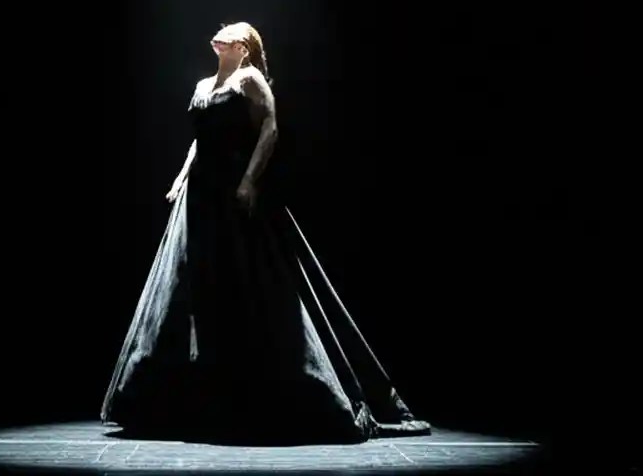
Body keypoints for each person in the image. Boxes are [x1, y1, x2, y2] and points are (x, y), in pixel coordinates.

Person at [101, 22, 430, 445]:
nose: (219, 34)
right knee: (189, 290)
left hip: (233, 193)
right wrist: (182, 178)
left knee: (252, 282)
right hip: (200, 199)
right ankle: (178, 397)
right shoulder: (204, 84)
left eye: (231, 32)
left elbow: (270, 128)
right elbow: (198, 142)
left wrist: (250, 181)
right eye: (219, 32)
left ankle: (270, 389)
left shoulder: (250, 78)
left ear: (243, 45)